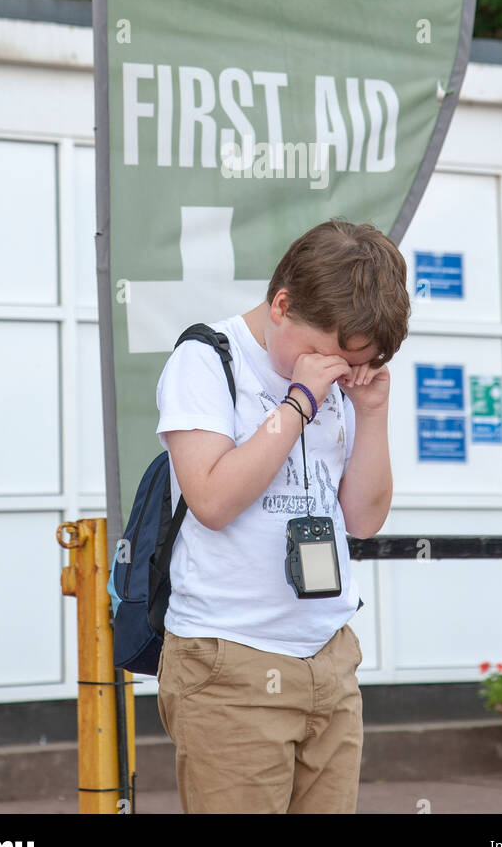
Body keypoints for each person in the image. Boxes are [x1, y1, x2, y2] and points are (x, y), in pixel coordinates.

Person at [154, 217, 411, 814]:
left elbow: (363, 521)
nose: (334, 373)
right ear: (282, 304)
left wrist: (370, 412)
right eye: (323, 354)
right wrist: (299, 402)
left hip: (329, 650)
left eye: (353, 363)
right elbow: (212, 501)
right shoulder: (207, 360)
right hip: (230, 659)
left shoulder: (342, 382)